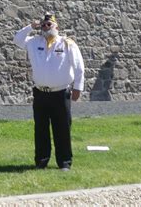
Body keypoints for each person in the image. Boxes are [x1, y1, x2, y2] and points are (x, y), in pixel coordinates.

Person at [13, 12, 85, 171]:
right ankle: (41, 161)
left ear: (56, 26)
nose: (46, 27)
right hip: (40, 93)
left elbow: (79, 67)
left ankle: (65, 162)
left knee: (62, 129)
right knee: (41, 129)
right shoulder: (33, 42)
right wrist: (31, 26)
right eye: (44, 25)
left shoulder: (67, 44)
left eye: (49, 24)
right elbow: (17, 40)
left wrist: (78, 88)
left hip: (60, 93)